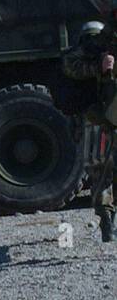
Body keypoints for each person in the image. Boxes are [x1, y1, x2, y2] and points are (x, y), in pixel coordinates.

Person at [62, 17, 117, 242]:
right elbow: (70, 65)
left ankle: (108, 222)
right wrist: (100, 65)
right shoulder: (97, 49)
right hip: (100, 119)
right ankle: (107, 222)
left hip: (102, 119)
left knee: (103, 172)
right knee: (103, 172)